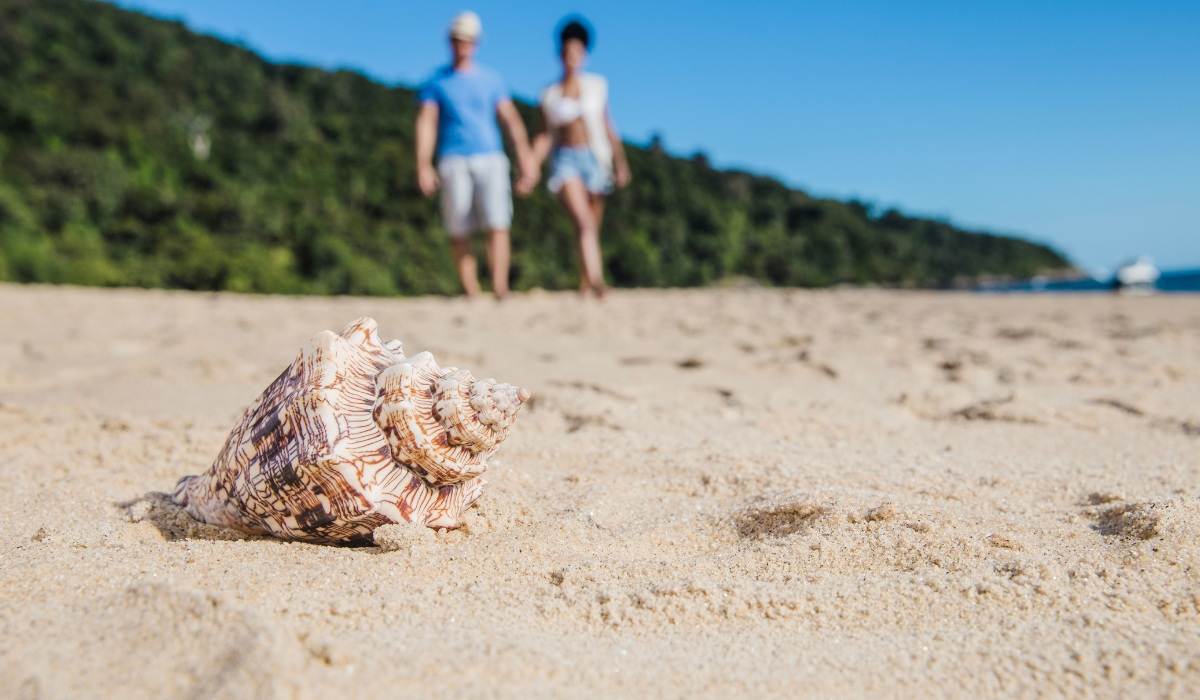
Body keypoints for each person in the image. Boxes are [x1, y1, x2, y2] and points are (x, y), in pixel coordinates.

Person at [415, 11, 537, 299]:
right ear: (450, 41)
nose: (462, 45)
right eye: (458, 39)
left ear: (476, 43)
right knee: (458, 227)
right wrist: (423, 164)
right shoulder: (436, 82)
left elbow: (511, 120)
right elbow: (426, 123)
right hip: (453, 158)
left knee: (497, 223)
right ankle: (470, 290)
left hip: (490, 157)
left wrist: (526, 158)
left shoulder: (492, 80)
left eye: (468, 40)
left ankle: (499, 287)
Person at [531, 17, 631, 298]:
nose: (571, 58)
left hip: (595, 159)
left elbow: (608, 125)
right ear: (559, 54)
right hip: (565, 160)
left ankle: (585, 280)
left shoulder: (597, 86)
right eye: (567, 52)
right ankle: (597, 281)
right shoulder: (549, 94)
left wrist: (620, 162)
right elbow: (543, 136)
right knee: (584, 220)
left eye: (576, 52)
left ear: (584, 55)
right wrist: (531, 166)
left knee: (589, 226)